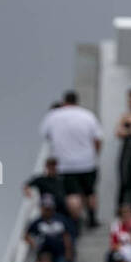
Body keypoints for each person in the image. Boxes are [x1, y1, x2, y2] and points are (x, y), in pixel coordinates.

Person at [40, 91, 103, 229]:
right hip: (87, 161)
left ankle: (77, 221)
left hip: (65, 163)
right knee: (90, 192)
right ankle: (92, 218)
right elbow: (98, 139)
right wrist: (94, 155)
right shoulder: (87, 115)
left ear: (64, 101)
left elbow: (46, 135)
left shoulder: (54, 116)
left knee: (72, 195)